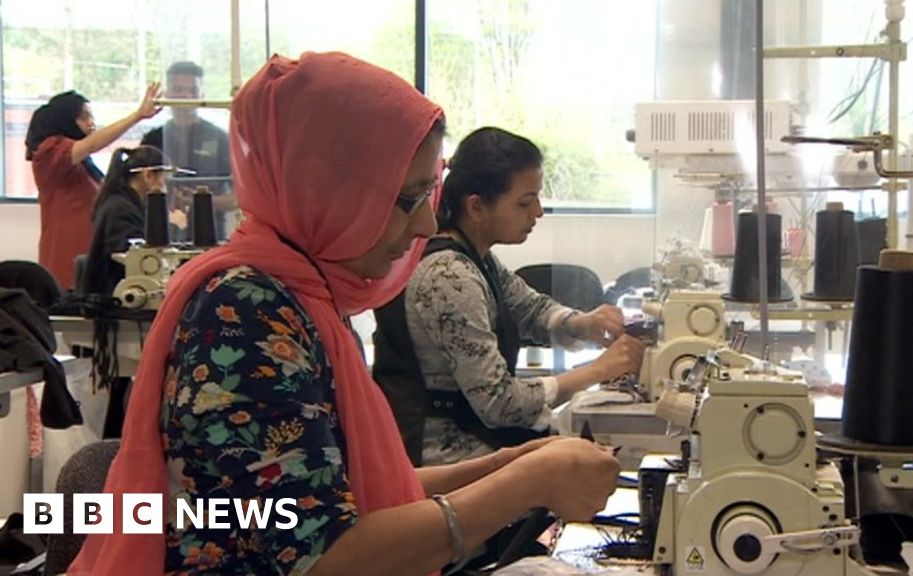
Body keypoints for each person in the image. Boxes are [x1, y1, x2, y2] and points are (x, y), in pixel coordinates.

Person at [70, 52, 619, 576]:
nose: (426, 226)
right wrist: (526, 483)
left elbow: (334, 489)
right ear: (326, 191)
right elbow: (326, 558)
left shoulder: (302, 296)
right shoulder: (244, 312)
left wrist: (508, 466)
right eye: (407, 200)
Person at [373, 126, 646, 467]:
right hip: (442, 454)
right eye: (524, 203)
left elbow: (529, 309)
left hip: (474, 434)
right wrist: (595, 372)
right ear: (476, 207)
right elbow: (500, 402)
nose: (538, 213)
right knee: (584, 466)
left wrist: (583, 323)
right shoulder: (449, 276)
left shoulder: (476, 258)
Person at [26, 84, 162, 290]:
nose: (91, 124)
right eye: (84, 117)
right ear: (63, 119)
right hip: (66, 258)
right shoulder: (48, 154)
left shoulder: (83, 165)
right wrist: (137, 116)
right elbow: (91, 144)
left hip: (90, 259)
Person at [141, 61, 235, 242]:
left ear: (202, 95)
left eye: (192, 91)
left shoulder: (220, 139)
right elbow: (137, 191)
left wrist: (201, 203)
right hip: (161, 239)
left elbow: (239, 198)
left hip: (210, 239)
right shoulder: (152, 140)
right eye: (178, 89)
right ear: (168, 94)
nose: (185, 96)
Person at [81, 145, 186, 297]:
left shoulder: (126, 205)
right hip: (114, 299)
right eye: (164, 180)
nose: (166, 188)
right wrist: (173, 226)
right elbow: (134, 256)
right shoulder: (121, 209)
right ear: (148, 175)